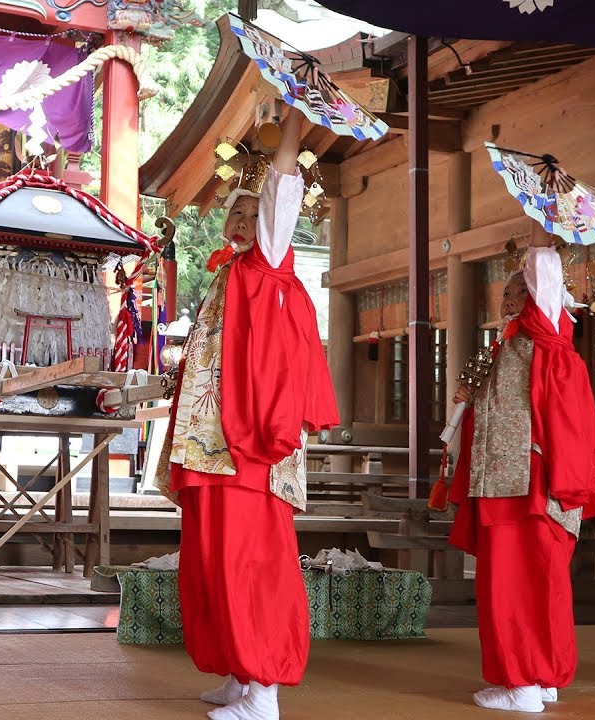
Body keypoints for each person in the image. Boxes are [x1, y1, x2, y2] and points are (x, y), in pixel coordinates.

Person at [155, 110, 339, 720]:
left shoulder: (267, 265)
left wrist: (292, 121)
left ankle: (265, 691)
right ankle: (240, 673)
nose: (241, 218)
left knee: (252, 562)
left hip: (251, 445)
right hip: (211, 444)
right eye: (234, 209)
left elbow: (283, 188)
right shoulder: (229, 274)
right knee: (213, 560)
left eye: (252, 210)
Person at [445, 228, 595, 713]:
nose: (512, 298)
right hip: (509, 481)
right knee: (541, 580)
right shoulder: (506, 349)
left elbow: (545, 275)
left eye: (523, 289)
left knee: (516, 581)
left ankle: (521, 685)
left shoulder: (547, 337)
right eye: (506, 292)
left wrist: (540, 231)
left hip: (526, 482)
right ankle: (543, 676)